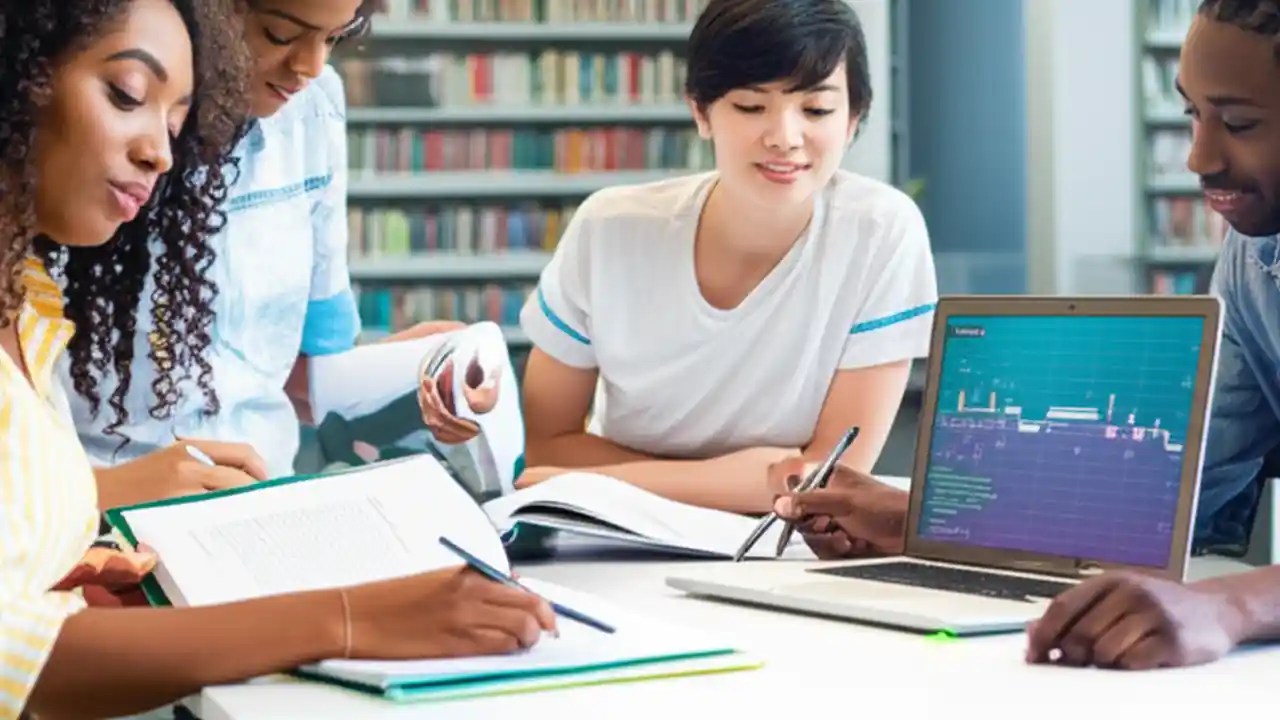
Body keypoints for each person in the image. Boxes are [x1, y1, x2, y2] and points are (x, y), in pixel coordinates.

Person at [1, 2, 554, 717]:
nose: (161, 155)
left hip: (209, 551)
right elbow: (22, 658)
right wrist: (351, 618)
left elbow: (308, 367)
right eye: (128, 95)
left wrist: (411, 377)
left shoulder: (34, 313)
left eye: (178, 122)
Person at [774, 0, 1280, 670]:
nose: (1199, 158)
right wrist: (924, 522)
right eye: (1192, 113)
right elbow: (1179, 489)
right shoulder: (1254, 257)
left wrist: (1232, 606)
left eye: (1238, 123)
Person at [64, 0, 501, 511]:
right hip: (92, 512)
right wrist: (99, 492)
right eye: (278, 33)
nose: (311, 67)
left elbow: (305, 373)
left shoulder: (314, 107)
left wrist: (415, 377)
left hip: (260, 497)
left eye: (335, 37)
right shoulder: (88, 144)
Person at [516, 0, 938, 513]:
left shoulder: (880, 232)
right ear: (701, 111)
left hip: (782, 541)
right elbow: (548, 447)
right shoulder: (609, 230)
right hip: (609, 531)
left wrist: (599, 480)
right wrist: (754, 478)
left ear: (852, 120)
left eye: (816, 110)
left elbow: (828, 482)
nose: (785, 138)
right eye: (750, 107)